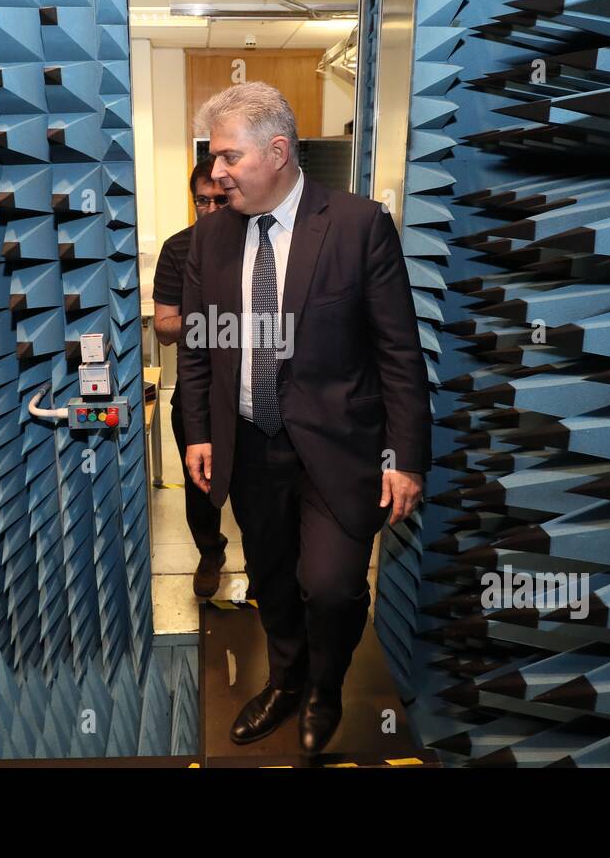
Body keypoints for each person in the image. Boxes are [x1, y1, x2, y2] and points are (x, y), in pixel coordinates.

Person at [178, 81, 430, 754]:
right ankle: (286, 678)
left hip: (339, 449)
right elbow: (201, 347)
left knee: (334, 588)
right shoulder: (209, 239)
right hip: (250, 447)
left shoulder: (357, 225)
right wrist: (200, 430)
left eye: (228, 155)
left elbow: (398, 352)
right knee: (270, 579)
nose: (216, 171)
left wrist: (406, 459)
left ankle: (327, 688)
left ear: (279, 150)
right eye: (214, 156)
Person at [152, 155, 232, 597]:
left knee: (256, 488)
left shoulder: (259, 244)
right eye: (203, 201)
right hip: (195, 392)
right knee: (200, 487)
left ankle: (265, 562)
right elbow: (164, 329)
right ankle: (210, 551)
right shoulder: (177, 248)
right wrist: (216, 320)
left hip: (253, 390)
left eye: (220, 200)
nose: (211, 209)